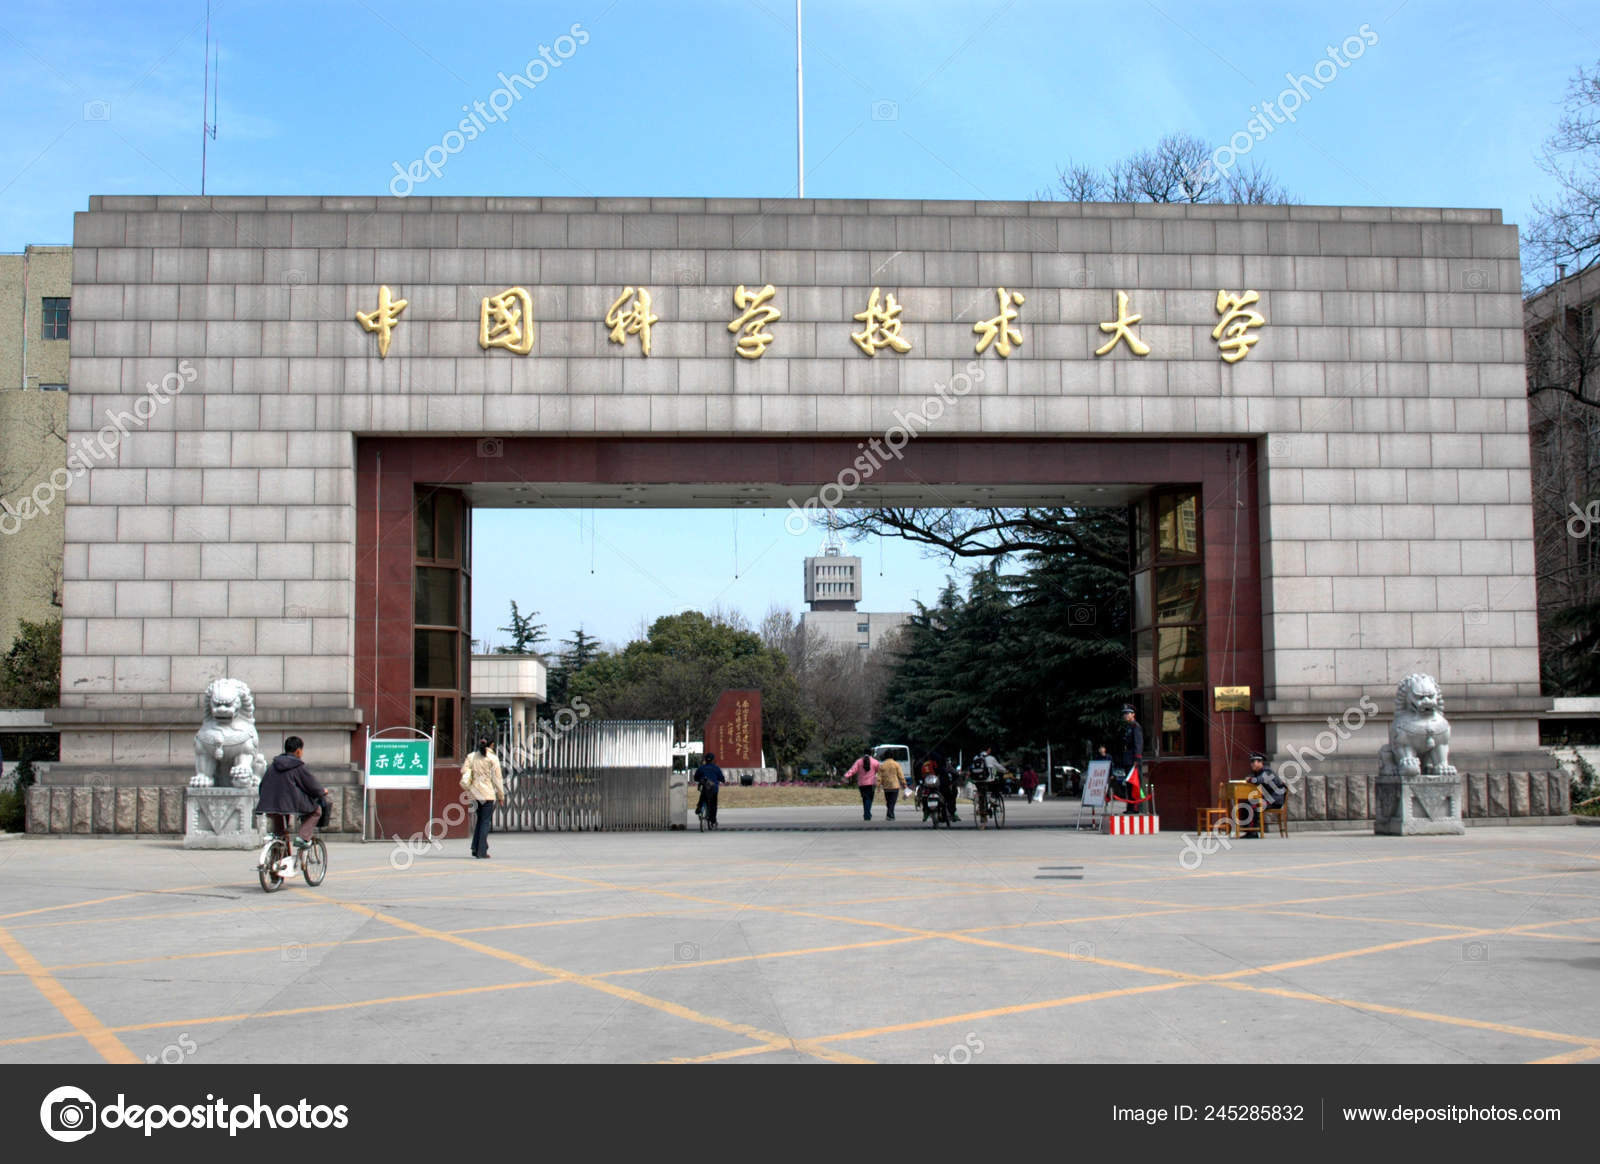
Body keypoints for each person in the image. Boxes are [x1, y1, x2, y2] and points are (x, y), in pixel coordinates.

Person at [255, 736, 329, 851]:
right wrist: (321, 791)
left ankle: (279, 857)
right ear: (298, 751)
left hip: (269, 803)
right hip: (289, 802)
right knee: (316, 810)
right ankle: (303, 838)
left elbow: (262, 784)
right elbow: (311, 784)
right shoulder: (297, 766)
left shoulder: (273, 765)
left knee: (280, 830)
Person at [459, 736, 505, 859]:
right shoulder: (493, 758)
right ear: (492, 745)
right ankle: (481, 851)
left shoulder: (471, 756)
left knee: (480, 820)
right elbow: (497, 779)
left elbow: (464, 771)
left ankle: (475, 848)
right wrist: (501, 796)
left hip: (475, 794)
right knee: (485, 822)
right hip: (487, 794)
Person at [1237, 752, 1286, 837]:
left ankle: (1253, 832)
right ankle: (1249, 831)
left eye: (1253, 761)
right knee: (1245, 804)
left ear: (1260, 762)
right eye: (1251, 762)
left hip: (1274, 799)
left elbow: (1259, 780)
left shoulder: (1267, 771)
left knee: (1253, 806)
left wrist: (1250, 779)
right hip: (1266, 798)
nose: (1251, 764)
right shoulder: (1258, 772)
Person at [1114, 705, 1146, 814]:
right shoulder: (1129, 727)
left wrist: (1137, 759)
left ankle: (1135, 807)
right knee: (1129, 783)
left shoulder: (1136, 727)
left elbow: (1138, 743)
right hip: (1128, 759)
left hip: (1134, 759)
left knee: (1134, 784)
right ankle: (1130, 807)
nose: (1125, 715)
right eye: (1125, 713)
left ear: (1133, 714)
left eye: (1128, 713)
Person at [844, 751, 880, 821]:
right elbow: (880, 771)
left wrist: (846, 776)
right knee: (869, 799)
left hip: (862, 784)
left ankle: (867, 813)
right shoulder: (875, 762)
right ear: (872, 753)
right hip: (871, 783)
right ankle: (867, 814)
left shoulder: (858, 761)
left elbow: (853, 770)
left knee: (865, 799)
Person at [694, 751, 725, 829]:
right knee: (713, 805)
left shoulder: (701, 768)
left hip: (704, 787)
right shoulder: (716, 768)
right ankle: (713, 820)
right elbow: (722, 778)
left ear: (705, 760)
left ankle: (699, 807)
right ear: (713, 760)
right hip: (713, 789)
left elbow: (695, 777)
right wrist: (721, 780)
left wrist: (700, 779)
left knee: (703, 797)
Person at [877, 750, 906, 821]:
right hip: (895, 786)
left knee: (888, 801)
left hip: (886, 786)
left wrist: (878, 786)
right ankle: (890, 814)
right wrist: (904, 783)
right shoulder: (896, 764)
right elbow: (900, 775)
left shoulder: (882, 765)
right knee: (892, 802)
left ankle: (889, 814)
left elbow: (879, 777)